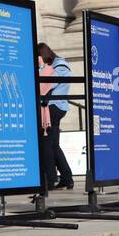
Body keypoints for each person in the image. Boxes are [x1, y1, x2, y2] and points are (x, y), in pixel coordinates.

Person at [37, 43, 74, 191]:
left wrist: (41, 68)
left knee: (46, 143)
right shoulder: (57, 66)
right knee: (53, 145)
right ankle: (66, 178)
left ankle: (50, 180)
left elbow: (46, 84)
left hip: (53, 108)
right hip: (52, 107)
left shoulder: (60, 66)